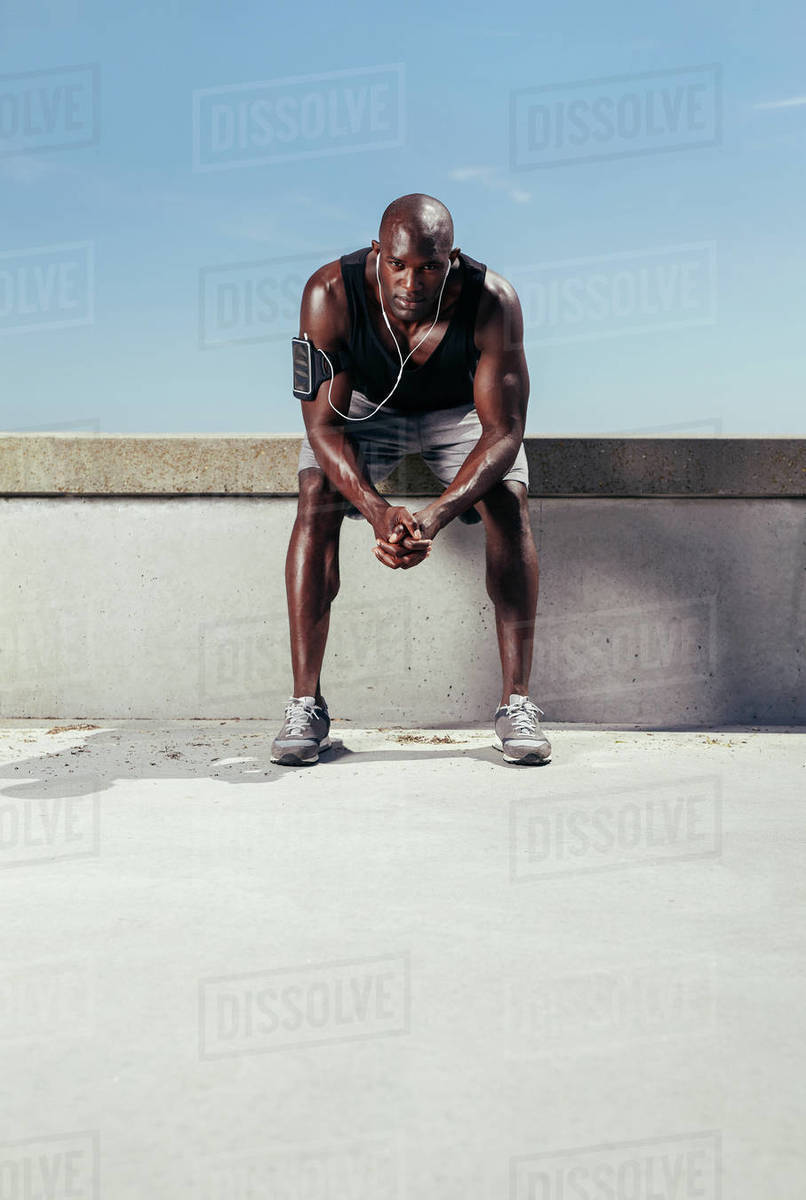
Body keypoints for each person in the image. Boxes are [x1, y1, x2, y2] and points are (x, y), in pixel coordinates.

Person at [271, 193, 551, 766]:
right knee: (315, 497)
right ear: (379, 252)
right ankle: (305, 706)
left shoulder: (492, 300)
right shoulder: (329, 293)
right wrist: (378, 512)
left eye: (428, 267)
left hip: (459, 414)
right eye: (397, 264)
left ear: (451, 259)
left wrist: (433, 516)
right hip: (366, 410)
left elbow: (504, 430)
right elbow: (322, 426)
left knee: (508, 500)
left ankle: (517, 704)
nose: (410, 282)